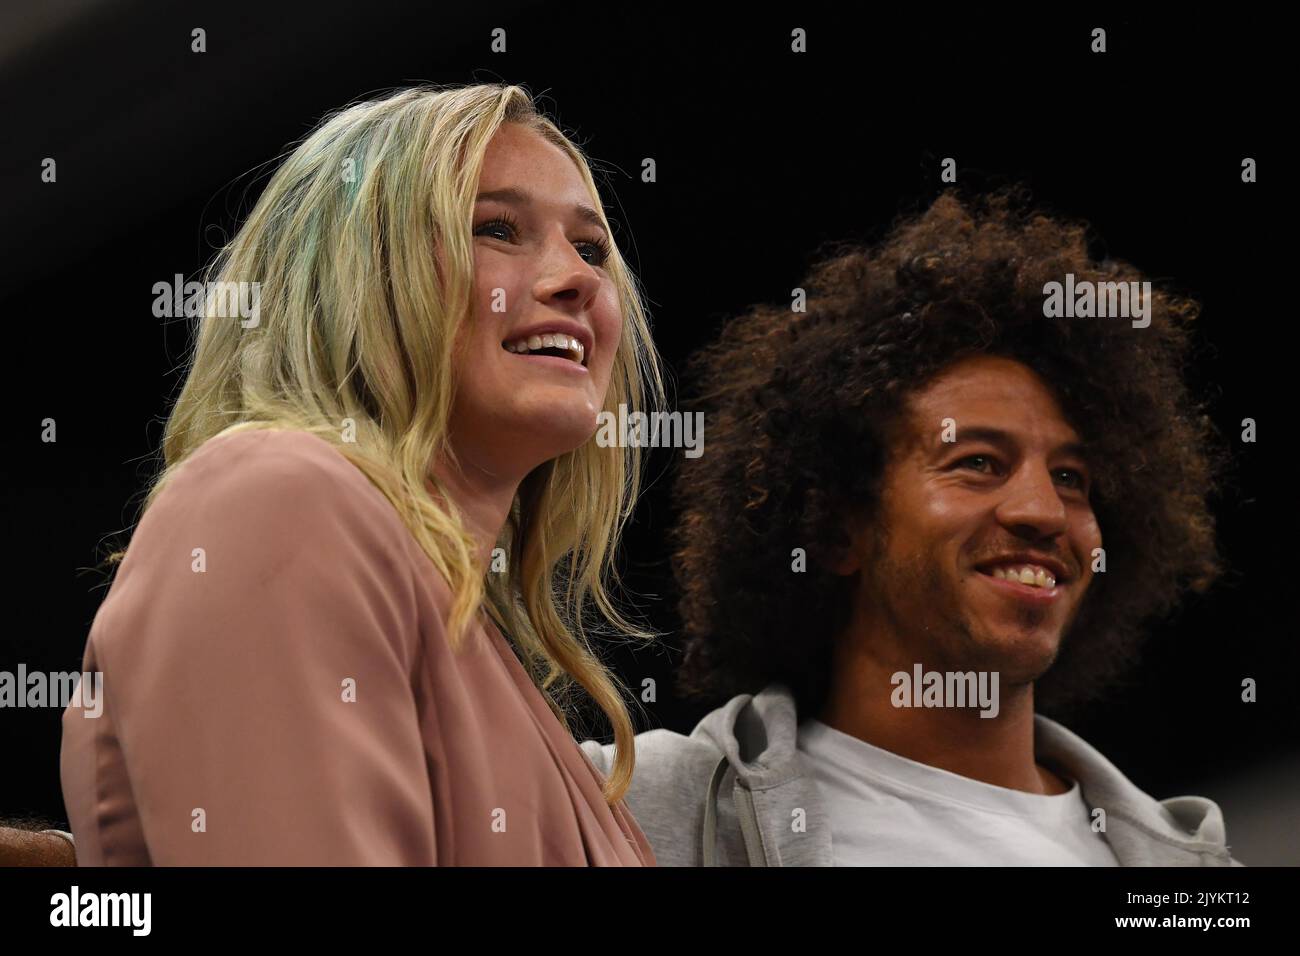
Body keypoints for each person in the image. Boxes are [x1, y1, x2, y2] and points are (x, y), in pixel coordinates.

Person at [50, 83, 664, 865]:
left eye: (591, 248)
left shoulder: (487, 659)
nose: (576, 279)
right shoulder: (275, 498)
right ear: (355, 275)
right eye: (497, 228)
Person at [583, 191, 1243, 866]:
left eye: (1072, 478)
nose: (1043, 512)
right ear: (839, 529)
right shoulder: (633, 806)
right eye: (978, 462)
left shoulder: (1193, 879)